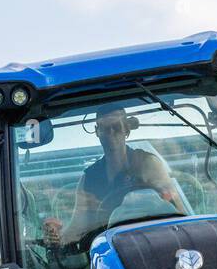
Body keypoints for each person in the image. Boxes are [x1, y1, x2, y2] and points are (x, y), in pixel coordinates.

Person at [43, 103, 185, 247]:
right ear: (97, 132)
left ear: (126, 130)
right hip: (108, 250)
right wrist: (57, 237)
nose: (111, 133)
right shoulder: (89, 178)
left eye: (116, 127)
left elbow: (176, 209)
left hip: (154, 240)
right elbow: (77, 228)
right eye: (105, 128)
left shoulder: (147, 163)